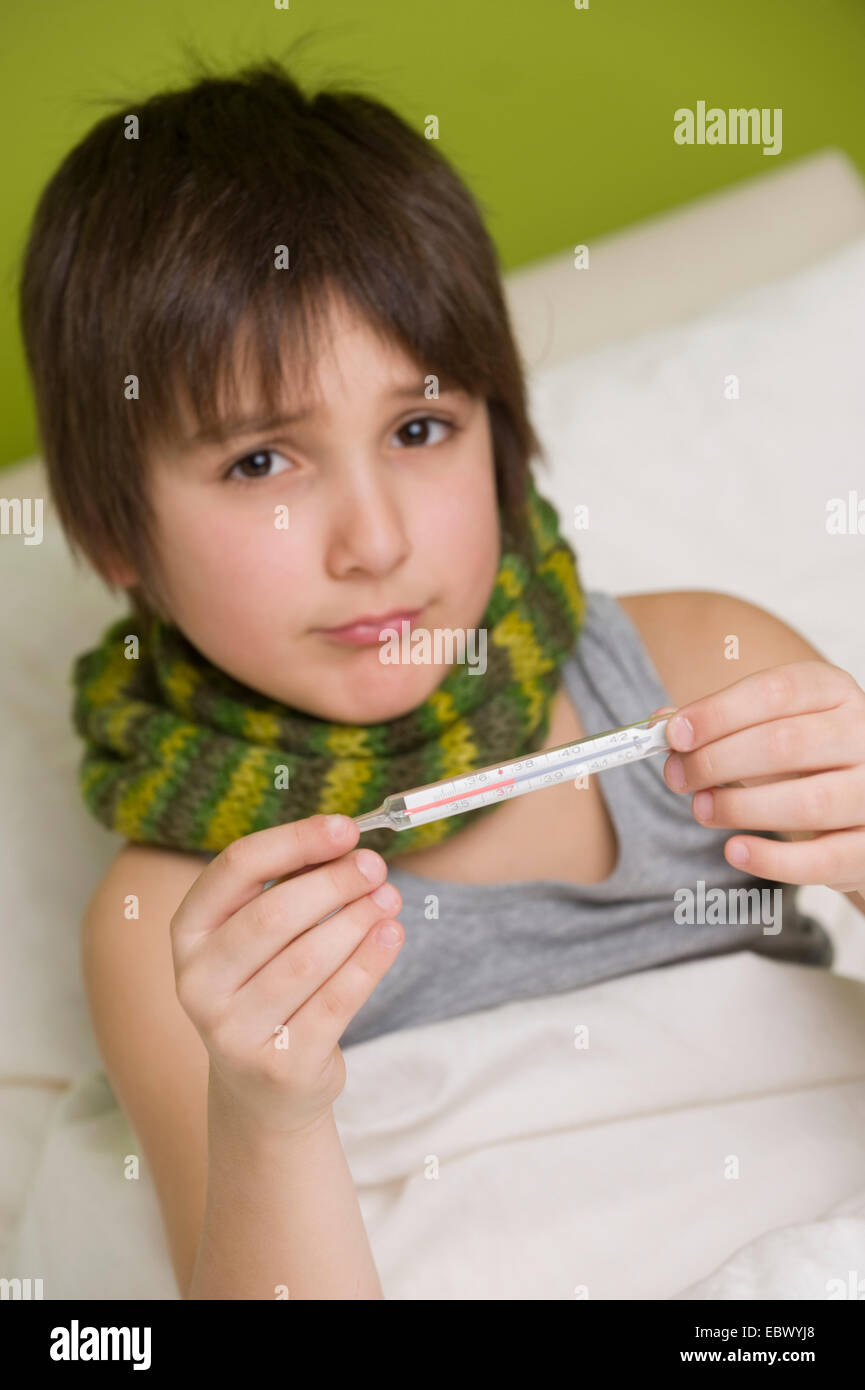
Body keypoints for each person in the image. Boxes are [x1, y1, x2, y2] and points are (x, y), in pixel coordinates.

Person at [18, 55, 865, 1301]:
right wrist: (268, 1110)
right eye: (262, 463)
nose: (375, 543)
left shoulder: (700, 671)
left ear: (502, 438)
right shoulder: (175, 928)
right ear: (113, 534)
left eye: (420, 430)